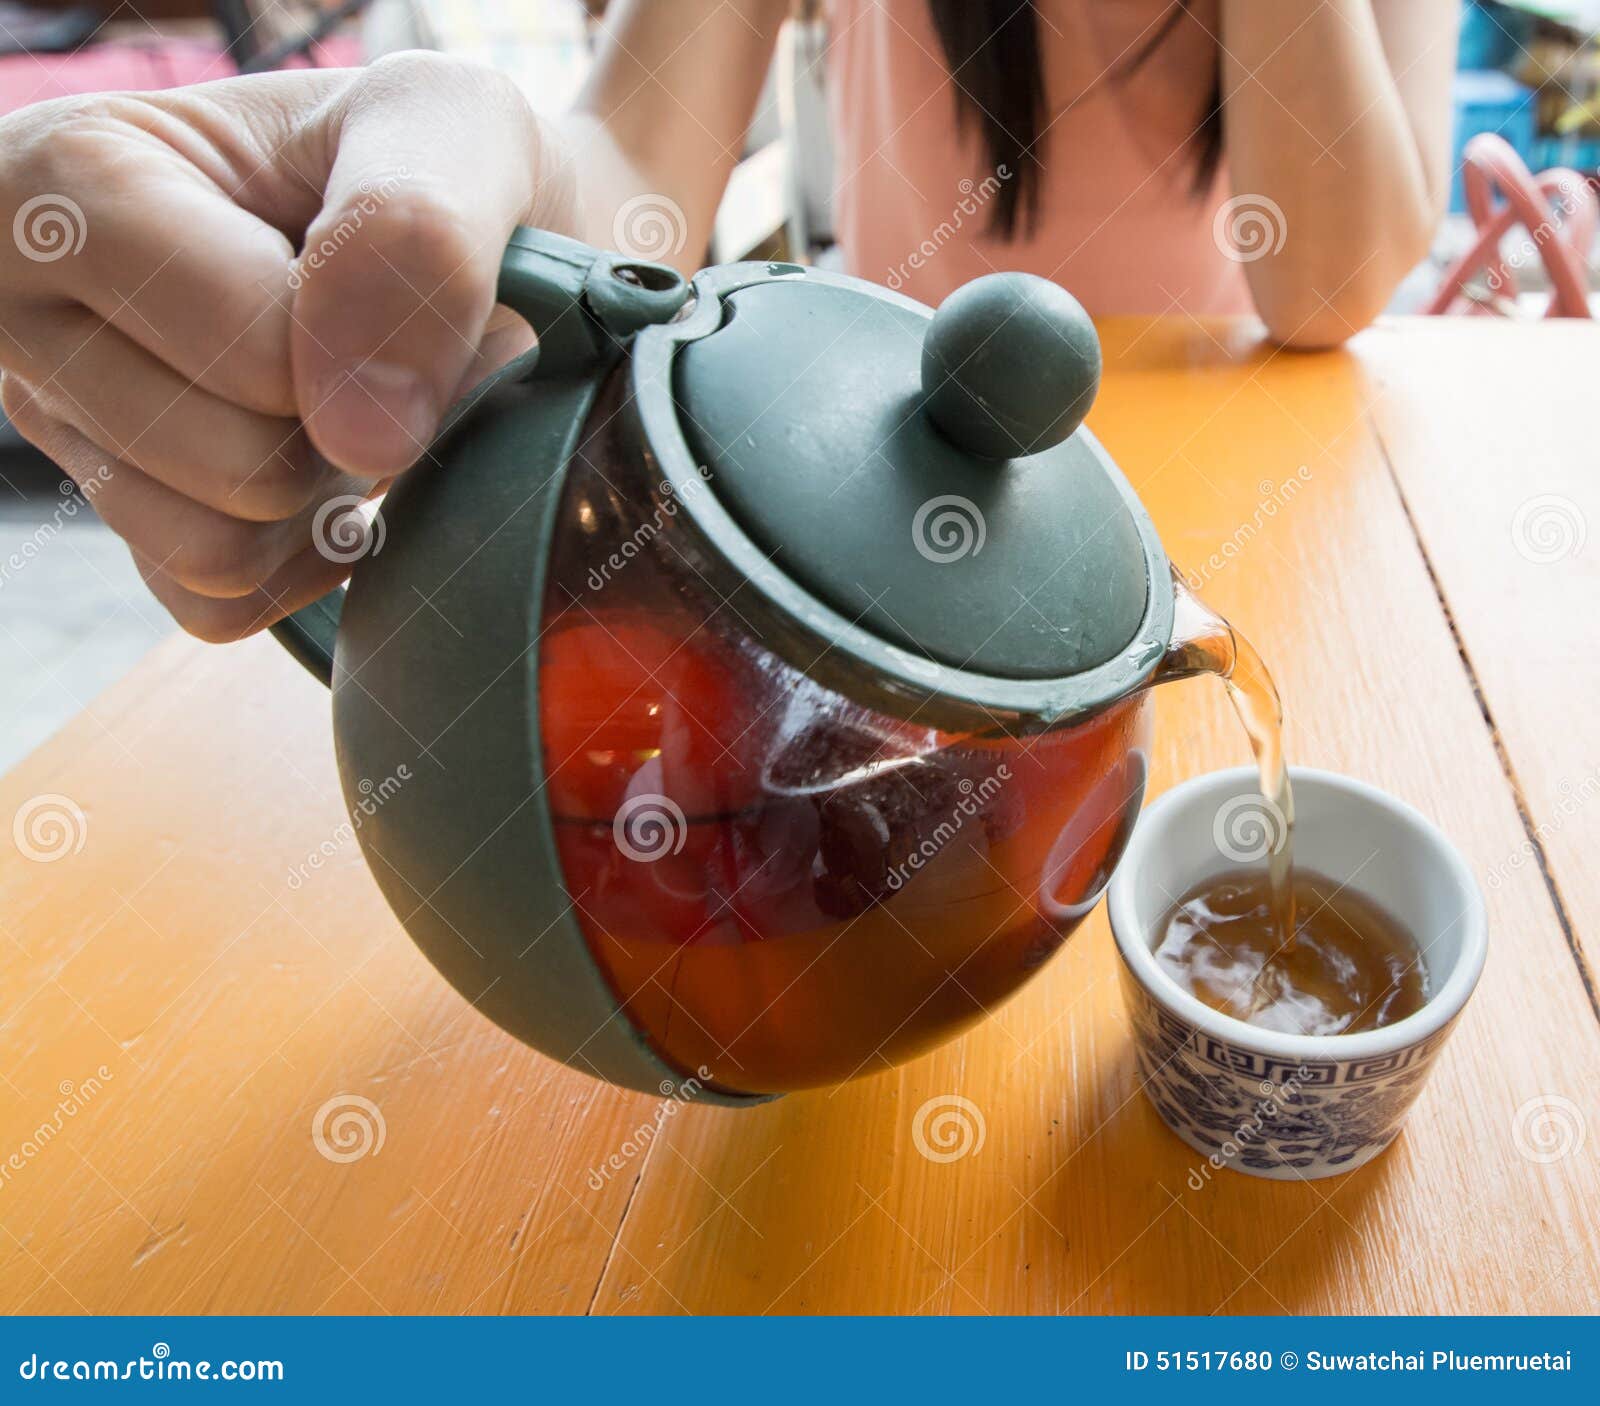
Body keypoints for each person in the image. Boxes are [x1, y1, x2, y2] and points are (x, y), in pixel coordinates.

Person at [0, 0, 1457, 643]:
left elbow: (1322, 285)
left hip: (1260, 516)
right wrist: (468, 174)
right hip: (887, 520)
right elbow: (633, 184)